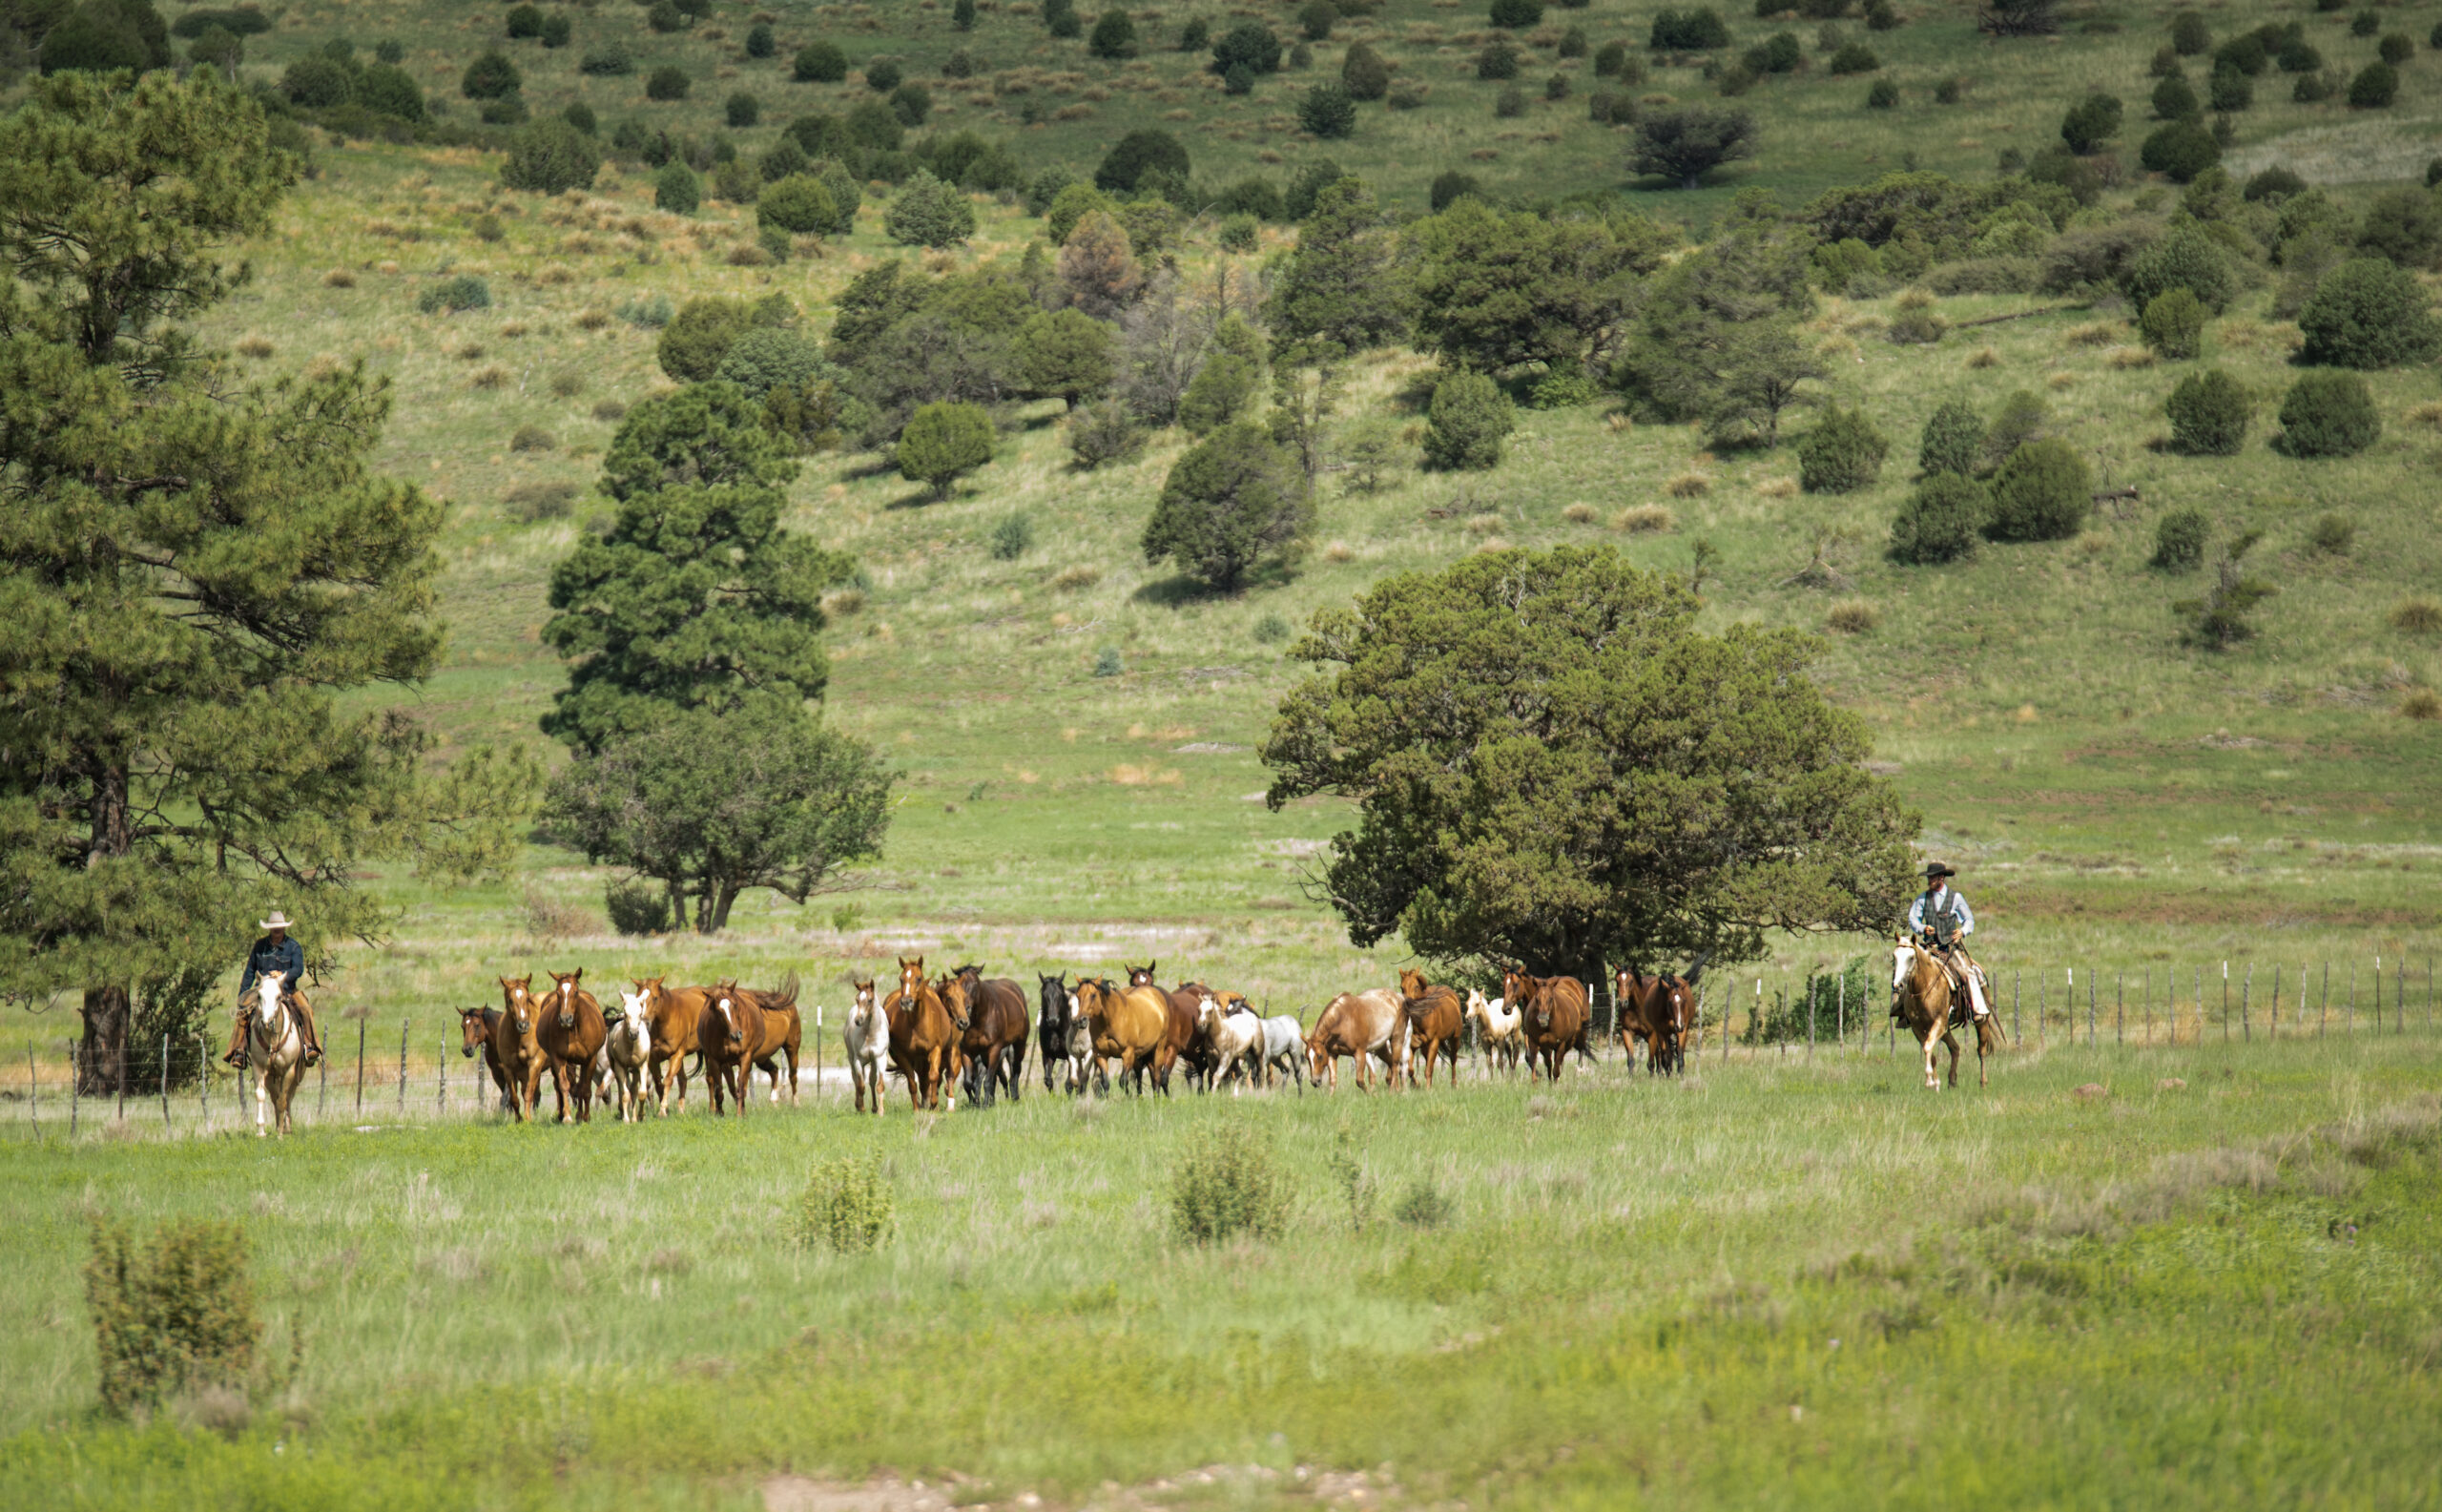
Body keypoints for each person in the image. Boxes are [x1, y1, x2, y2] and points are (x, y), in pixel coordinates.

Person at [223, 911, 323, 1067]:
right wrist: (242, 995)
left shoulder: (293, 946)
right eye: (274, 928)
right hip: (262, 990)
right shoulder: (260, 946)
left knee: (305, 1008)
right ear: (270, 929)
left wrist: (283, 975)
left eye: (279, 928)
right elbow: (250, 971)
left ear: (284, 928)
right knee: (243, 1011)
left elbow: (298, 969)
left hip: (287, 989)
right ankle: (239, 1051)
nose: (277, 930)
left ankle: (310, 1046)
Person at [1902, 862, 1992, 1022]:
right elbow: (1912, 918)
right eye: (1928, 877)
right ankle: (1904, 1011)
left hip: (1949, 947)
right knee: (1906, 970)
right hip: (1929, 947)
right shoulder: (1922, 898)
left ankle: (1977, 1009)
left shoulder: (1955, 898)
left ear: (1941, 878)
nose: (1929, 880)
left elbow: (1969, 919)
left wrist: (1962, 931)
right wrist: (1922, 928)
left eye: (1932, 877)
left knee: (1968, 972)